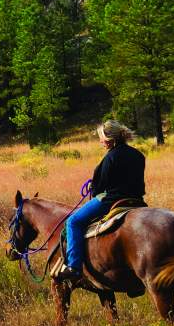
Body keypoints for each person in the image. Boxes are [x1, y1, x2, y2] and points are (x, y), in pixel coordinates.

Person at [57, 120, 145, 281]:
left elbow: (100, 187)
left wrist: (94, 187)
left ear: (110, 139)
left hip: (111, 200)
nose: (100, 141)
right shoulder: (138, 154)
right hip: (136, 201)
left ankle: (74, 266)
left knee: (73, 222)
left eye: (101, 138)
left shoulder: (110, 157)